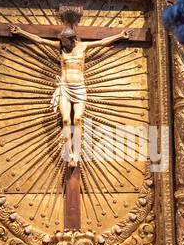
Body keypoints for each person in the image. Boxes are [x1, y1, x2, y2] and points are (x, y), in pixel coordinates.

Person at [10, 21, 132, 166]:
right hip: (65, 88)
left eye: (64, 40)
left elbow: (102, 42)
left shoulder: (83, 46)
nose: (62, 42)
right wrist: (21, 32)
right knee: (66, 120)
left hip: (79, 87)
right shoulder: (61, 48)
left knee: (78, 119)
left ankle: (77, 153)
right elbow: (40, 40)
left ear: (72, 39)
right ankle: (69, 153)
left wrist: (119, 36)